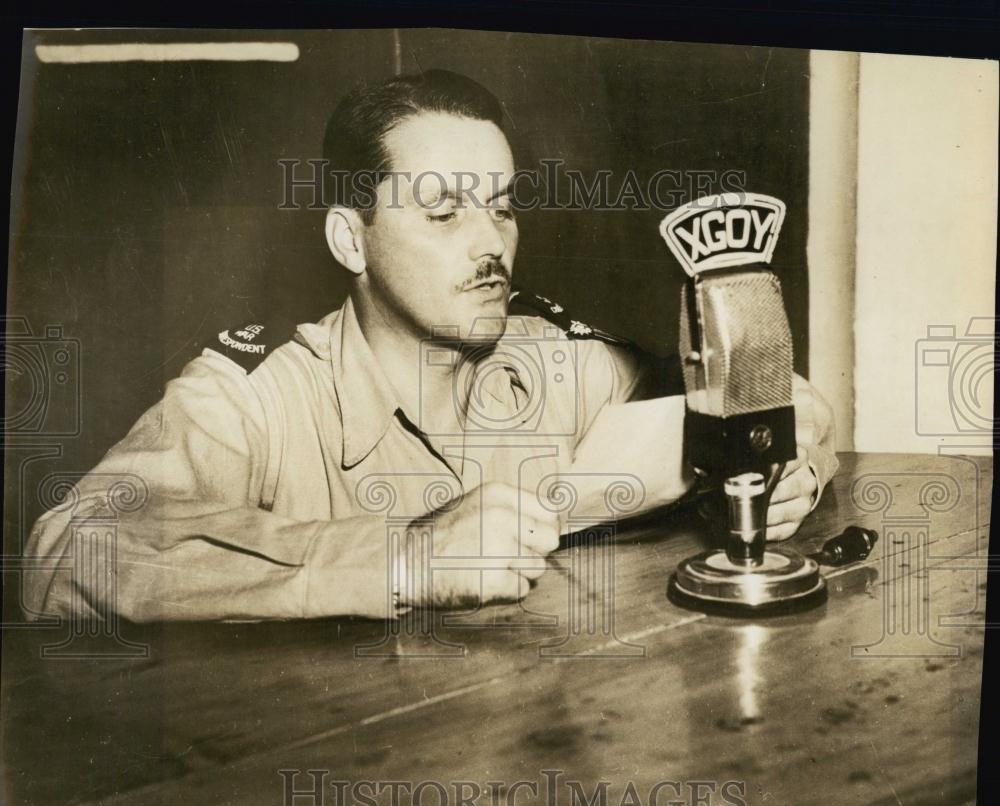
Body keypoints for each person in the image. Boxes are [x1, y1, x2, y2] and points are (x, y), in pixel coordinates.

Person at [23, 69, 837, 623]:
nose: (492, 244)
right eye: (444, 212)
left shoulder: (564, 360)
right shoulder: (256, 394)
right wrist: (404, 558)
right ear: (351, 239)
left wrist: (774, 467)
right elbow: (67, 553)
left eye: (504, 207)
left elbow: (780, 399)